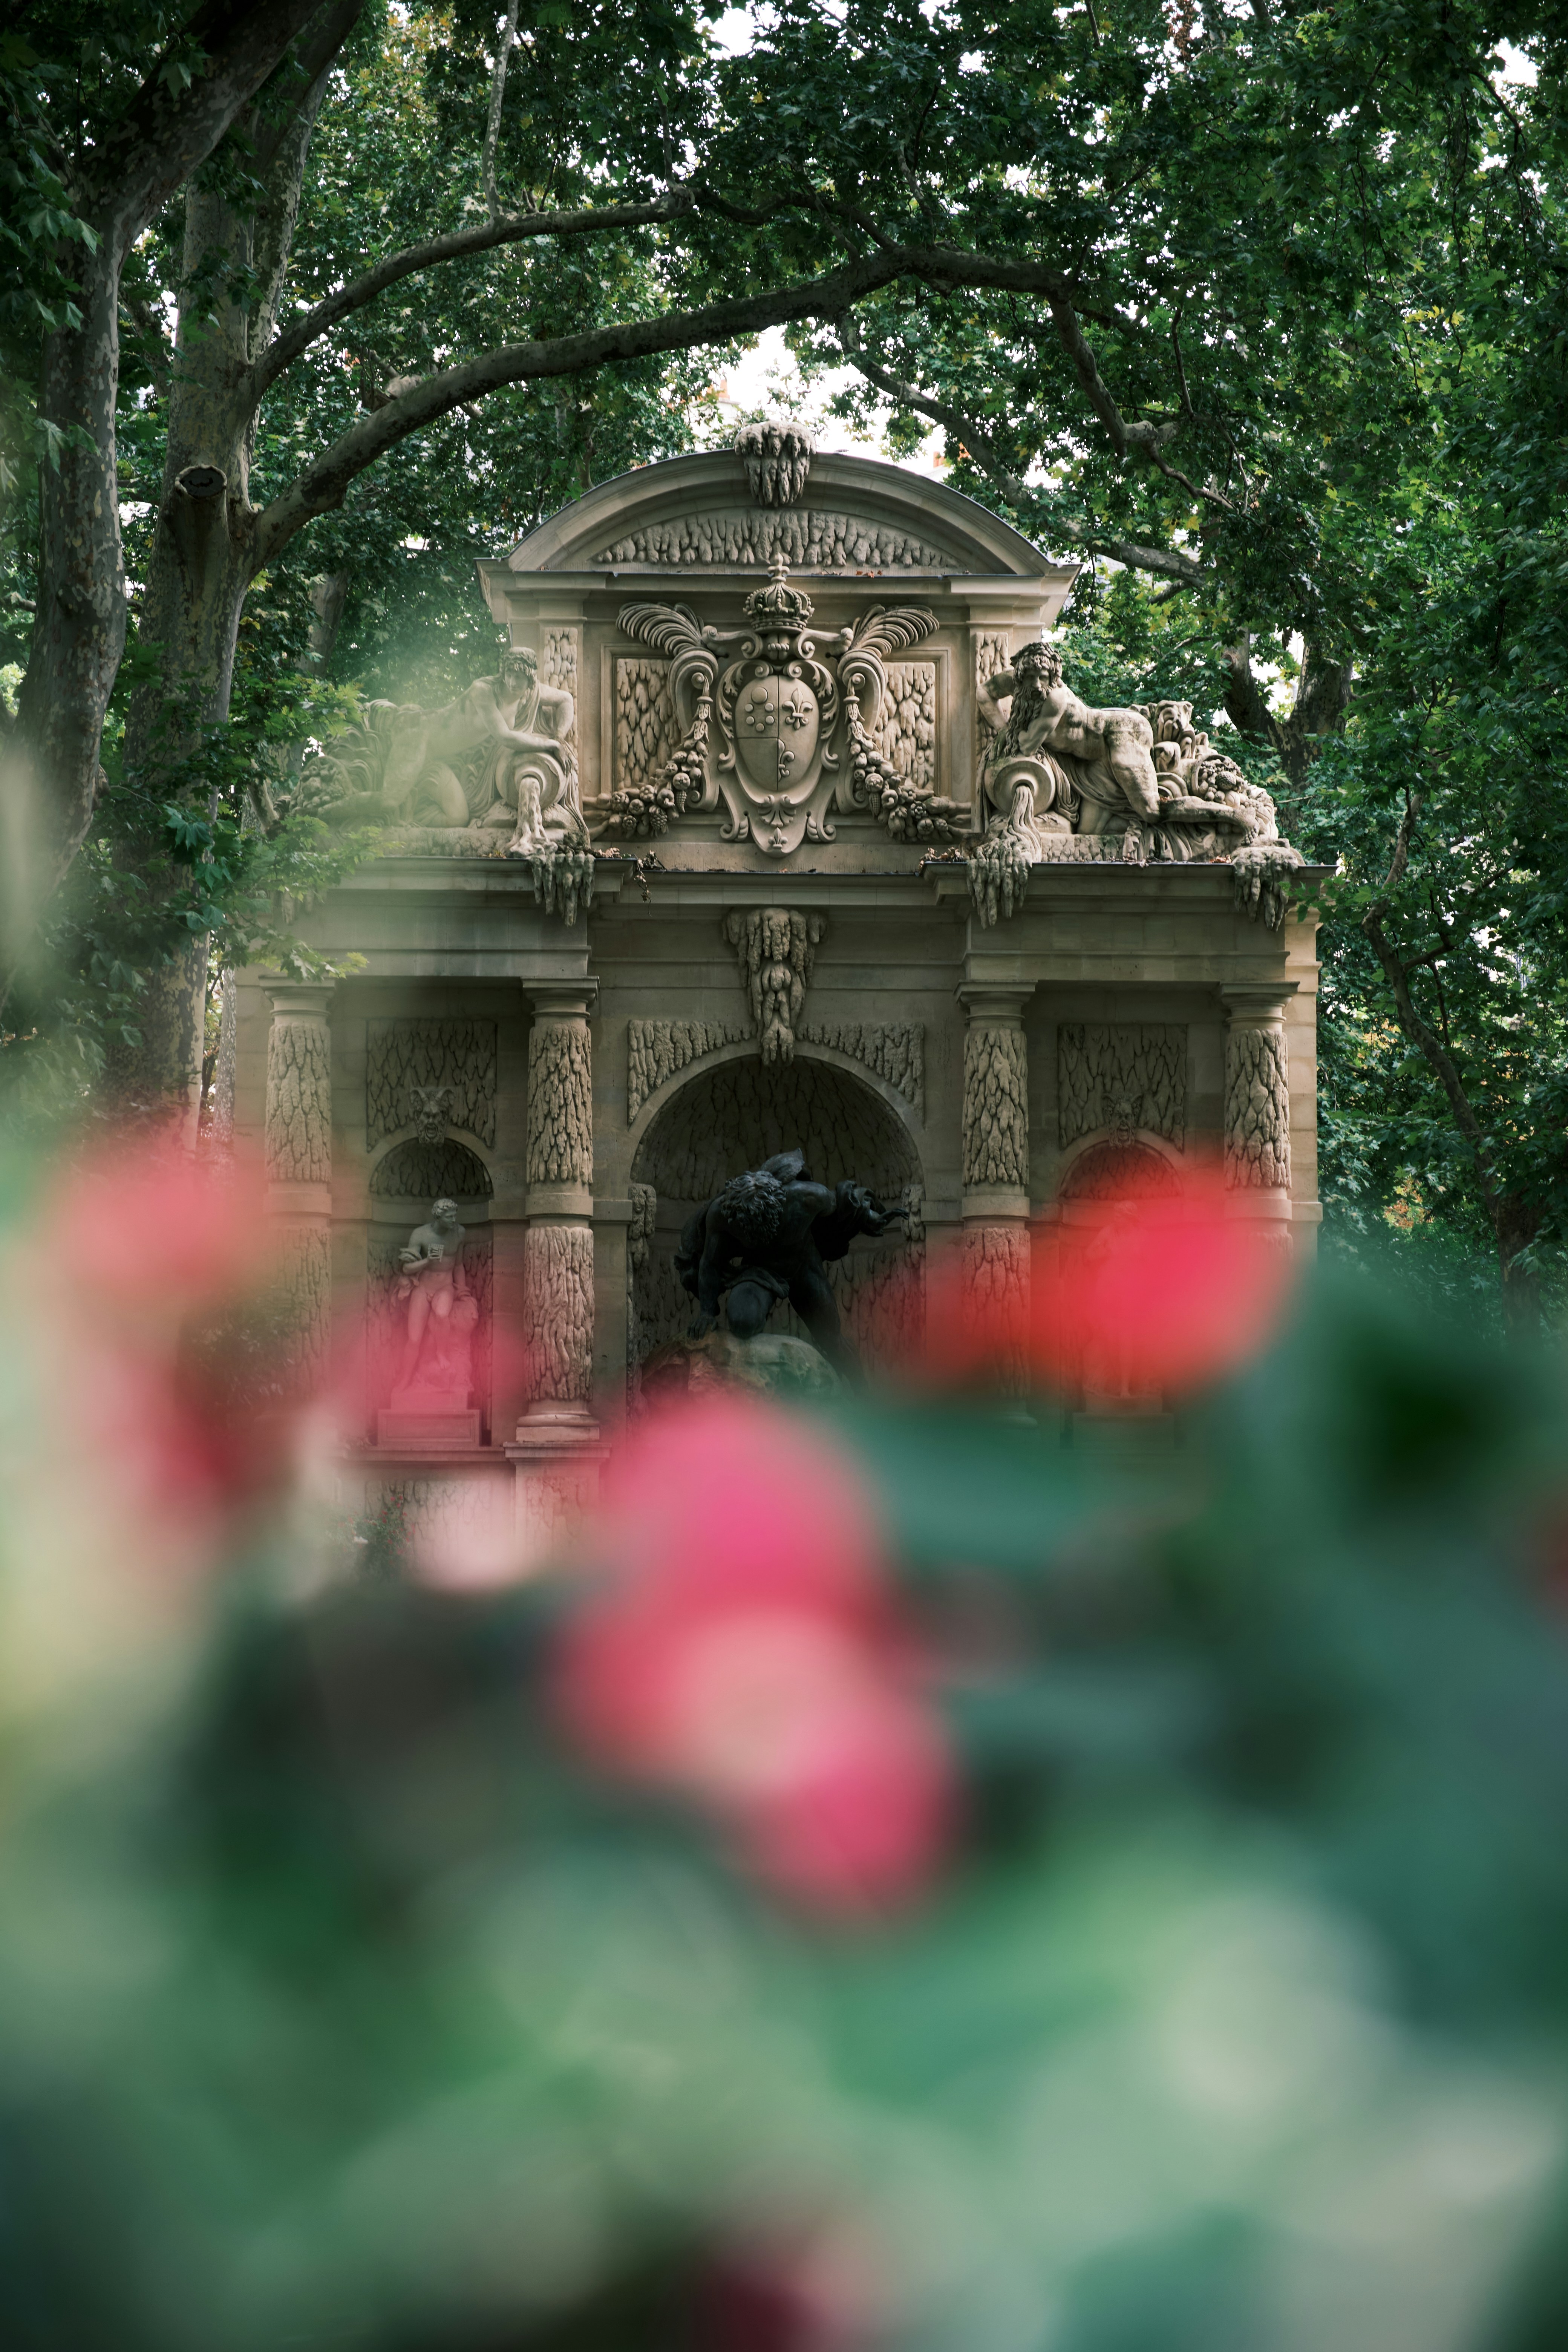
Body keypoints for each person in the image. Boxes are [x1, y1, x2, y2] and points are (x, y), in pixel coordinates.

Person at [675, 1150, 905, 1382]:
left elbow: (845, 1206)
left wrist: (868, 1215)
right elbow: (710, 1263)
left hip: (803, 1266)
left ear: (779, 1210)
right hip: (759, 1270)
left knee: (832, 1339)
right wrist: (706, 1313)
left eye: (762, 1230)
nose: (754, 1240)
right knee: (743, 1322)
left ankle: (863, 1397)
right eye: (747, 1234)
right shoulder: (721, 1214)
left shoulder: (808, 1197)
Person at [393, 1197, 477, 1396]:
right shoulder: (421, 1234)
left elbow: (458, 1265)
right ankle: (405, 1378)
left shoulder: (459, 1233)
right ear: (438, 1217)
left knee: (441, 1314)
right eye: (449, 1217)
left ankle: (441, 1353)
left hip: (445, 1287)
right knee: (414, 1338)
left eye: (455, 1216)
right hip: (423, 1288)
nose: (453, 1220)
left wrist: (463, 1292)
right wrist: (427, 1260)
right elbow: (406, 1267)